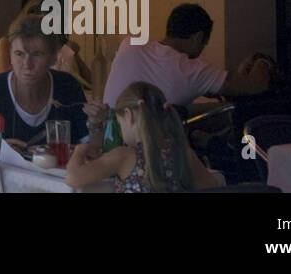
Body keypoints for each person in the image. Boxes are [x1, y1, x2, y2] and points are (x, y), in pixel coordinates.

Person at [0, 15, 89, 176]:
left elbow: (93, 152)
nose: (27, 65)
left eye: (37, 54)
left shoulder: (67, 87)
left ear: (53, 57)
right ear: (10, 56)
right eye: (19, 54)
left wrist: (98, 125)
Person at [102, 4, 272, 111]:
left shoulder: (129, 44)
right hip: (149, 145)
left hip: (109, 136)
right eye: (203, 45)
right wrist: (261, 60)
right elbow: (255, 86)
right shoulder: (193, 70)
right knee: (226, 111)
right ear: (198, 38)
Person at [65, 81, 221, 192]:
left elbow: (72, 178)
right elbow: (212, 186)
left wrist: (81, 148)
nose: (121, 131)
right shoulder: (184, 153)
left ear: (129, 115)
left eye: (119, 124)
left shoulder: (124, 155)